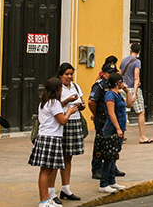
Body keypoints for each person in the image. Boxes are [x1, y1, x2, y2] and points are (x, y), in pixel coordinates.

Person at [29, 77, 82, 207]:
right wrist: (69, 111)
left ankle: (47, 199)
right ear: (58, 90)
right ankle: (44, 200)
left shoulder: (46, 102)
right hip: (50, 138)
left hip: (48, 137)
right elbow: (62, 120)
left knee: (48, 169)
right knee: (46, 171)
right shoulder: (54, 103)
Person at [54, 64, 86, 201]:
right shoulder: (57, 88)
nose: (69, 77)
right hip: (62, 122)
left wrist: (80, 105)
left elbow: (83, 103)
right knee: (57, 158)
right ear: (60, 75)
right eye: (67, 74)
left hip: (75, 121)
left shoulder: (75, 87)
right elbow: (53, 105)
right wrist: (67, 100)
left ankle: (66, 189)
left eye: (71, 74)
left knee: (69, 156)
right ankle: (50, 192)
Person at [87, 62, 122, 180]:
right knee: (100, 144)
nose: (112, 75)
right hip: (102, 117)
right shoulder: (99, 86)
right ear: (104, 74)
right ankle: (96, 168)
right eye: (110, 73)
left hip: (111, 118)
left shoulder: (113, 85)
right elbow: (91, 102)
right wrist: (95, 114)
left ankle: (112, 167)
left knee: (113, 143)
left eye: (114, 73)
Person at [95, 72, 128, 194]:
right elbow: (111, 113)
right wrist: (118, 128)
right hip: (111, 129)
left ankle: (111, 180)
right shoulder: (110, 95)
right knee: (108, 157)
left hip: (120, 128)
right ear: (117, 83)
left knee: (114, 155)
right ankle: (103, 183)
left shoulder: (118, 94)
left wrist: (128, 92)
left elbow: (129, 104)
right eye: (121, 82)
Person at [119, 42, 153, 144]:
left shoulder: (124, 60)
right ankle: (142, 136)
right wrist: (134, 93)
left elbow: (120, 75)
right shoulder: (137, 62)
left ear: (130, 50)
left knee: (124, 112)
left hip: (123, 88)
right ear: (139, 52)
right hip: (132, 89)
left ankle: (121, 136)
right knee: (141, 112)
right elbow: (136, 77)